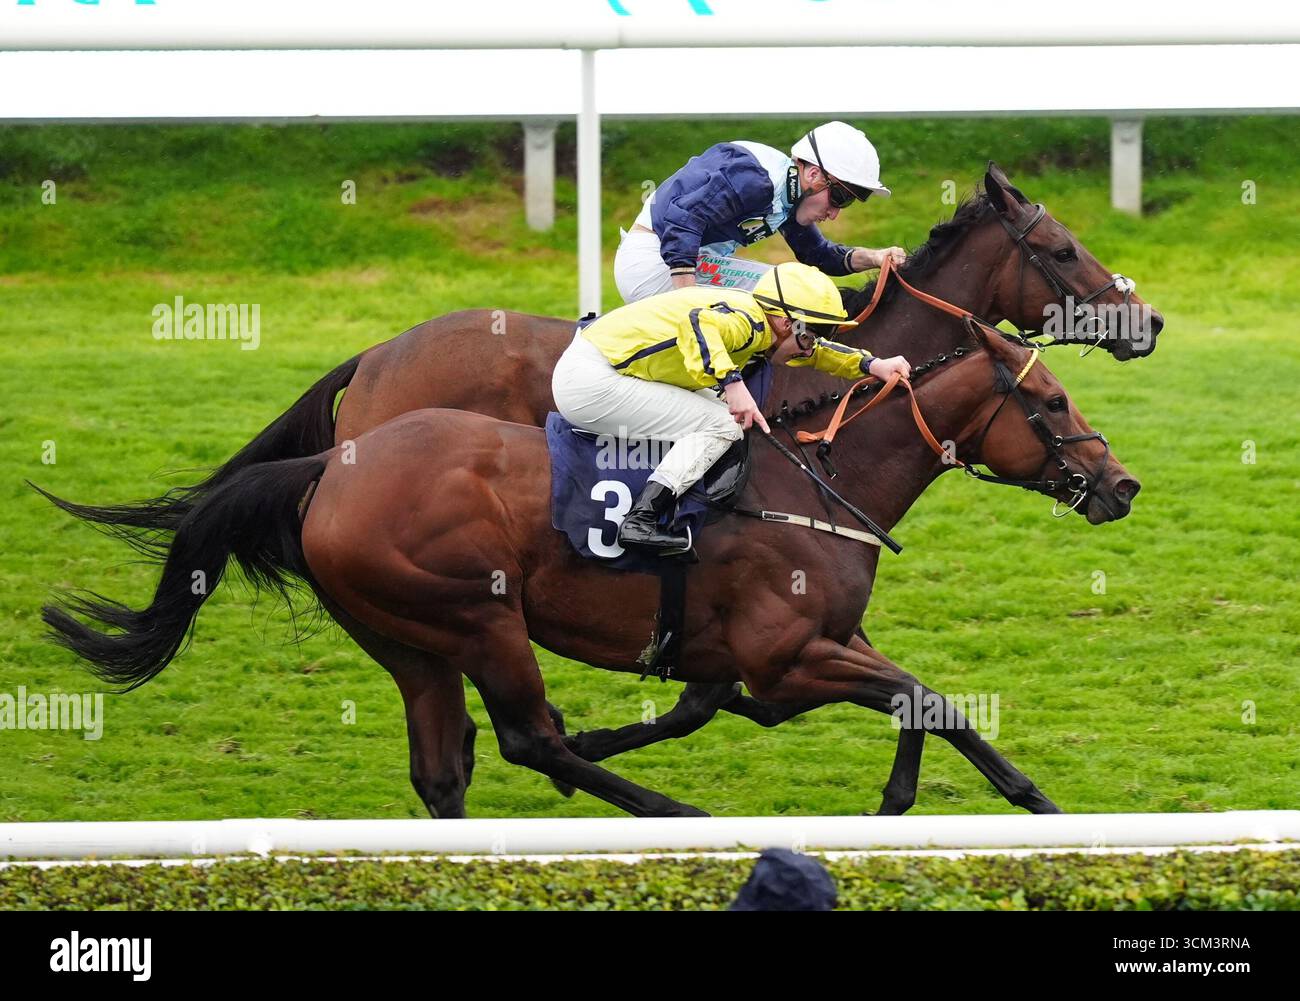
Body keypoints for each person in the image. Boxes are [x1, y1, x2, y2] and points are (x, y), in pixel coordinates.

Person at [551, 262, 912, 554]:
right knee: (721, 424)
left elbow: (814, 352)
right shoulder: (747, 322)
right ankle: (641, 521)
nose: (809, 347)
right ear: (786, 322)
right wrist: (734, 384)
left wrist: (870, 364)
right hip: (590, 383)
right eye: (808, 335)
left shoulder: (762, 320)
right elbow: (698, 325)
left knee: (727, 419)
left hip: (610, 368)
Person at [615, 121, 907, 304]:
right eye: (841, 198)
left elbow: (818, 255)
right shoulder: (756, 180)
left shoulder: (788, 193)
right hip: (652, 262)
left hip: (670, 263)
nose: (834, 214)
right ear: (815, 175)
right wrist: (687, 305)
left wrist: (875, 258)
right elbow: (682, 218)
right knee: (790, 288)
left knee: (796, 288)